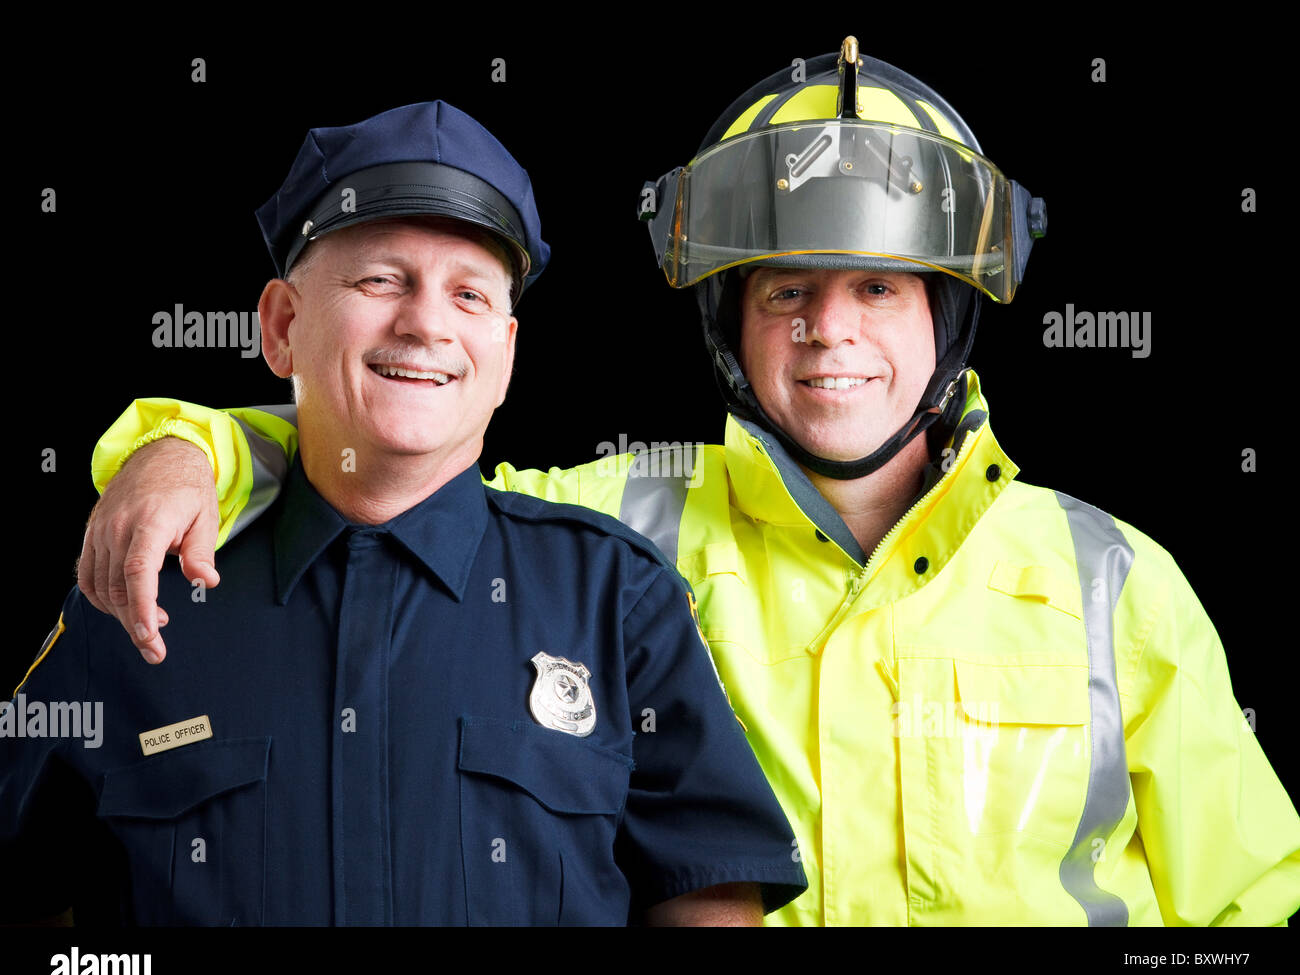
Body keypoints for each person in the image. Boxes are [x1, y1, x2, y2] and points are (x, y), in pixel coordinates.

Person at [73, 42, 1300, 926]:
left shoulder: (1108, 580)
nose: (831, 332)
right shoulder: (614, 535)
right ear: (730, 321)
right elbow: (392, 458)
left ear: (948, 317)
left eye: (877, 287)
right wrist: (188, 447)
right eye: (786, 291)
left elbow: (1249, 906)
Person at [0, 100, 809, 926]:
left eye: (468, 295)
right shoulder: (139, 591)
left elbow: (710, 901)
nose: (425, 322)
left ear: (506, 356)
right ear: (282, 326)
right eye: (382, 279)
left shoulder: (618, 599)